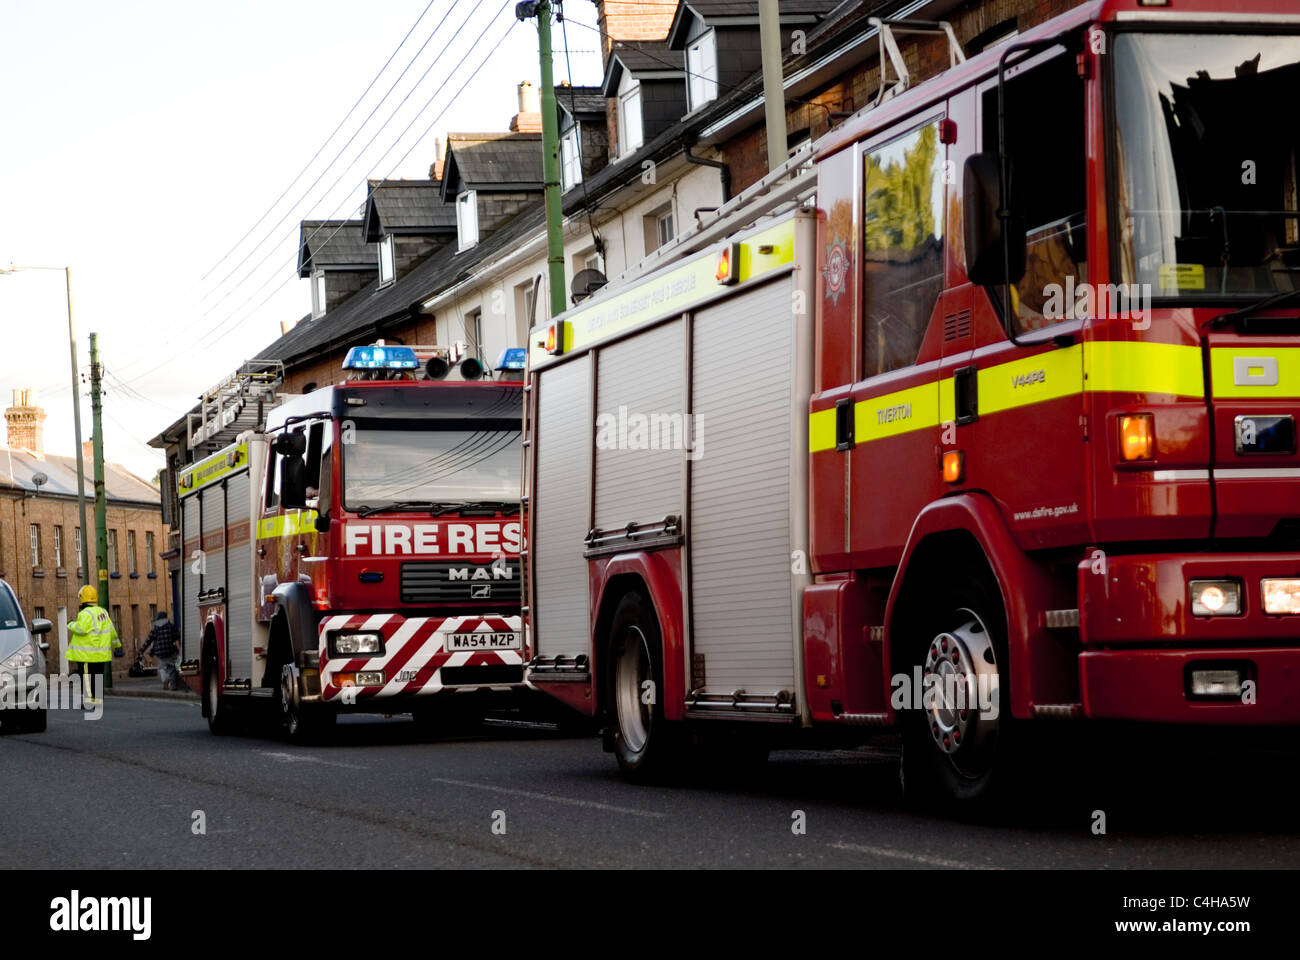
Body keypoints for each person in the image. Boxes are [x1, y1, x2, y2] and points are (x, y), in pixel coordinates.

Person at [67, 585, 121, 706]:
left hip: (87, 655)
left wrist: (70, 624)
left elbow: (81, 629)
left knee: (87, 678)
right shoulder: (103, 612)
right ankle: (97, 700)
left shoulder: (85, 613)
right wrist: (116, 644)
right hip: (101, 654)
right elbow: (111, 630)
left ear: (82, 598)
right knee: (98, 677)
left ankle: (89, 701)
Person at [141, 611, 183, 691]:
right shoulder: (171, 626)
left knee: (162, 668)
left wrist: (141, 651)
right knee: (172, 669)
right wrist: (179, 649)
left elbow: (149, 641)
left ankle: (165, 679)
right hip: (170, 651)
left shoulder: (155, 628)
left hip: (160, 652)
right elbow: (176, 638)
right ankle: (173, 686)